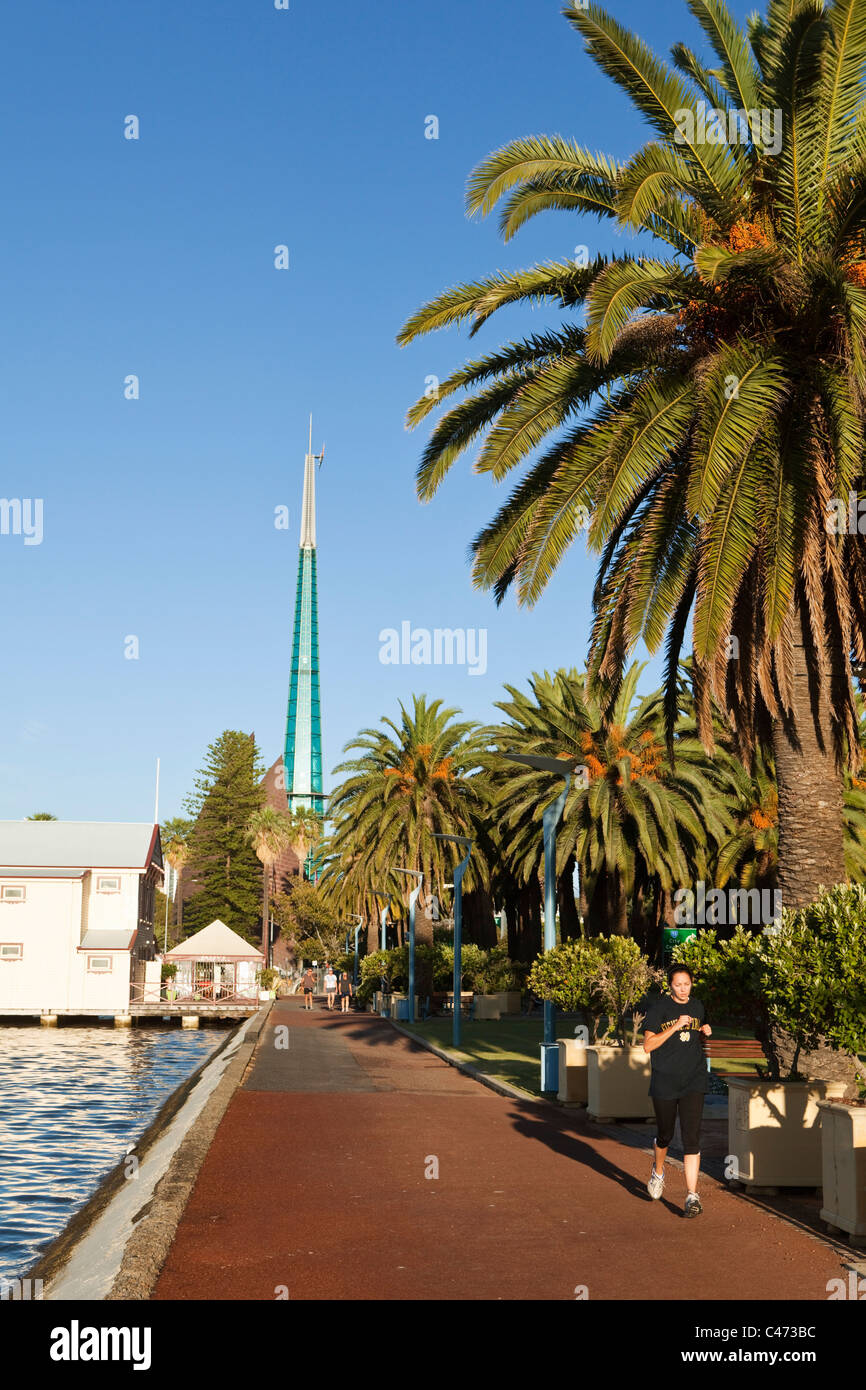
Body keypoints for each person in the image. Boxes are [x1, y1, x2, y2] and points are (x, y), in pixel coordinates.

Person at [642, 964, 712, 1218]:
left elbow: (696, 1037)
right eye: (678, 985)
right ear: (669, 986)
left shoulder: (698, 1006)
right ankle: (658, 1171)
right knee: (665, 1135)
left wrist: (704, 1031)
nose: (683, 989)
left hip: (693, 1080)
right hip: (665, 1082)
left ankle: (692, 1195)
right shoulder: (659, 1009)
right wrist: (673, 1027)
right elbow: (648, 1046)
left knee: (692, 1138)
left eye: (687, 984)